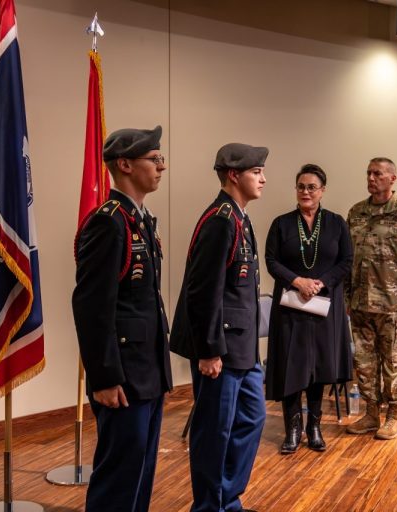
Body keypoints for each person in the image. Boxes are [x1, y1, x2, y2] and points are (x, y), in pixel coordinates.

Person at [72, 126, 172, 512]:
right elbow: (91, 307)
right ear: (125, 164)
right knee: (118, 478)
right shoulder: (108, 222)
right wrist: (105, 377)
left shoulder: (141, 220)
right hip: (124, 375)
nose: (161, 166)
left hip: (147, 370)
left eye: (161, 158)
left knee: (141, 472)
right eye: (154, 159)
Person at [170, 143, 268, 512]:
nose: (263, 178)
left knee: (252, 420)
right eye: (256, 172)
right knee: (215, 432)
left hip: (243, 350)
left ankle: (228, 498)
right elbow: (202, 291)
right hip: (222, 350)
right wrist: (209, 350)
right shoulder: (219, 221)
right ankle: (210, 506)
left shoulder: (239, 217)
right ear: (233, 175)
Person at [265, 164, 353, 454]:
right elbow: (271, 260)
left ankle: (314, 427)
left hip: (324, 306)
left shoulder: (337, 223)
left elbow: (346, 261)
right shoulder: (281, 223)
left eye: (311, 187)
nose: (305, 191)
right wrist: (297, 280)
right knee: (292, 366)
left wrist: (320, 283)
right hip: (291, 307)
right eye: (301, 186)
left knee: (318, 367)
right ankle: (292, 429)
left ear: (322, 191)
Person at [345, 157, 397, 440]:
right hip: (361, 304)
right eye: (368, 172)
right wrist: (348, 297)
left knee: (395, 364)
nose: (371, 178)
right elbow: (348, 260)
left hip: (395, 307)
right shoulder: (356, 213)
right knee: (365, 365)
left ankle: (394, 416)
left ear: (392, 178)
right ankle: (371, 414)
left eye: (377, 173)